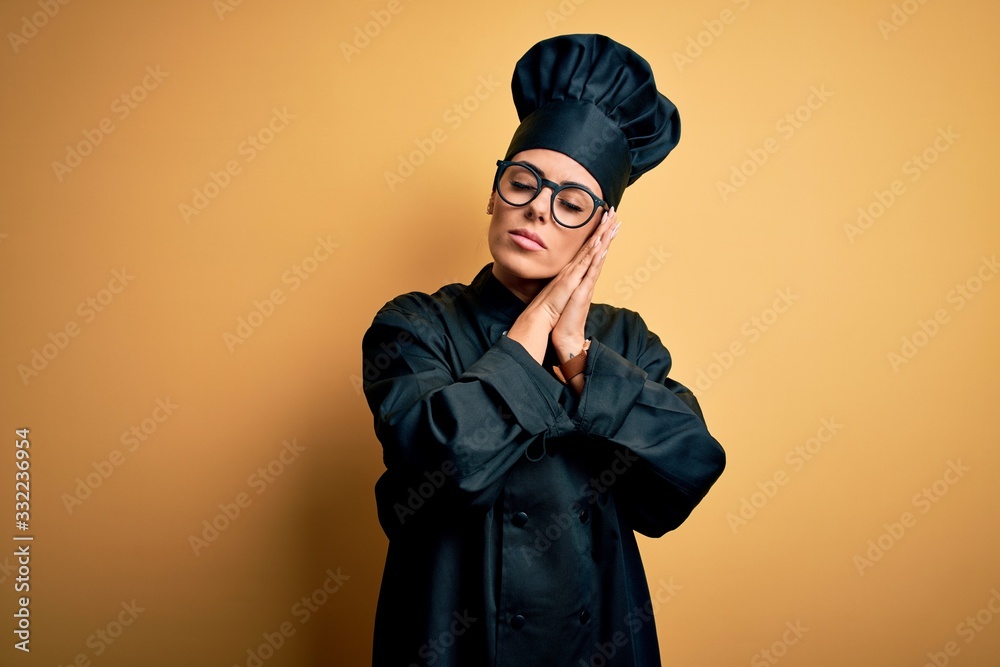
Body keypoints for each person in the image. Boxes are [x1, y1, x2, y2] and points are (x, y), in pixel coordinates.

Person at [361, 34, 726, 667]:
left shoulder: (625, 341)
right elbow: (437, 469)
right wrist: (541, 323)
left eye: (571, 203)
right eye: (522, 183)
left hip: (600, 643)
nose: (536, 212)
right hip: (449, 638)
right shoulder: (414, 324)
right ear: (493, 192)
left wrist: (579, 356)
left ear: (599, 229)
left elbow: (685, 475)